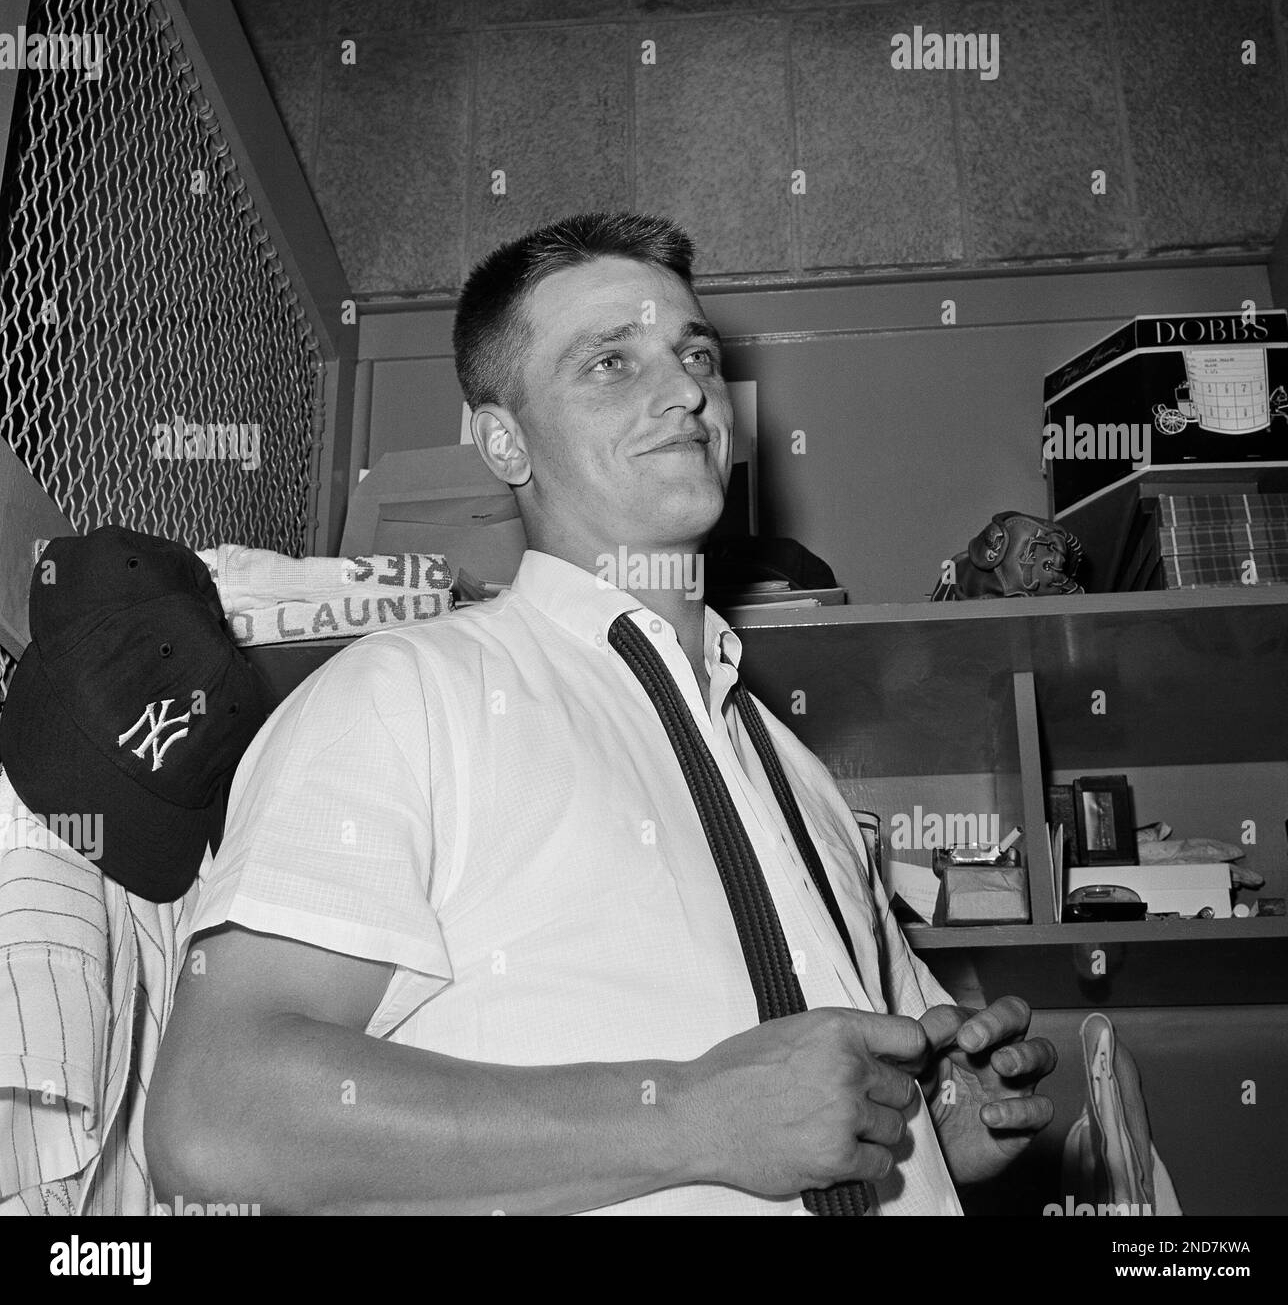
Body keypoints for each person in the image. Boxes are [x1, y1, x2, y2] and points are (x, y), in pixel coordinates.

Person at [146, 211, 1056, 1215]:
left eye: (693, 352)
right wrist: (693, 1117)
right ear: (502, 440)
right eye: (611, 364)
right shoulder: (405, 693)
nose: (687, 391)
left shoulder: (797, 772)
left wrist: (932, 1135)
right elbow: (217, 1114)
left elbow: (848, 1100)